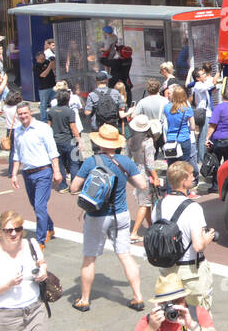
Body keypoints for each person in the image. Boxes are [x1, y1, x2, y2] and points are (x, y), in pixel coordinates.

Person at [70, 123, 148, 312]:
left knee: (89, 258)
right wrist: (125, 177)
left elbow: (73, 188)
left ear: (99, 143)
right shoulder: (125, 162)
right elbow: (142, 185)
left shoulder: (91, 161)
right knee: (125, 255)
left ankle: (85, 299)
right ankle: (137, 297)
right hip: (120, 214)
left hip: (96, 215)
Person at [154, 161, 217, 310]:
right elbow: (198, 245)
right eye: (191, 175)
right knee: (200, 318)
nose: (194, 177)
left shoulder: (158, 205)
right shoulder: (193, 208)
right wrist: (207, 238)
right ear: (183, 181)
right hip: (190, 273)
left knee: (173, 316)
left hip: (167, 271)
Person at [8, 103, 63, 249]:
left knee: (39, 206)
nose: (23, 116)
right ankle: (49, 227)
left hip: (43, 172)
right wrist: (14, 174)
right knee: (36, 206)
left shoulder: (43, 128)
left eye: (25, 113)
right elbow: (16, 154)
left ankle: (40, 239)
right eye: (20, 114)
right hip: (27, 173)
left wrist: (57, 171)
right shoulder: (17, 131)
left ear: (30, 112)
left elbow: (52, 151)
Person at [125, 114, 160, 244]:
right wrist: (156, 177)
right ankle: (134, 233)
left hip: (135, 172)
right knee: (144, 204)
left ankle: (151, 226)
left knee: (146, 202)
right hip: (145, 174)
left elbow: (127, 158)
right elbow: (150, 164)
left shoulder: (129, 141)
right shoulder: (148, 141)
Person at [48, 87, 82, 189]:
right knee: (74, 164)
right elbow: (73, 128)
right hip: (69, 141)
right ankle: (75, 186)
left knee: (60, 163)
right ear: (68, 100)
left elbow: (48, 127)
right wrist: (79, 140)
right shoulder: (70, 112)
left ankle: (62, 186)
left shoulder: (51, 111)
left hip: (56, 141)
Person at [162, 84, 198, 173]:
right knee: (184, 166)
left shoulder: (167, 108)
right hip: (184, 139)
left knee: (171, 167)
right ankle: (183, 185)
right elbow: (193, 126)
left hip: (170, 140)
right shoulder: (187, 109)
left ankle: (170, 186)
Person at [33, 50, 57, 121]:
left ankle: (54, 117)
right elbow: (43, 74)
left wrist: (53, 62)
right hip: (44, 88)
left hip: (52, 86)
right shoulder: (36, 67)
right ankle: (44, 119)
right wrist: (49, 65)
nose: (44, 60)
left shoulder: (47, 62)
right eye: (42, 59)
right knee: (43, 105)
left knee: (54, 102)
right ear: (37, 58)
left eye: (44, 58)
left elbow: (54, 68)